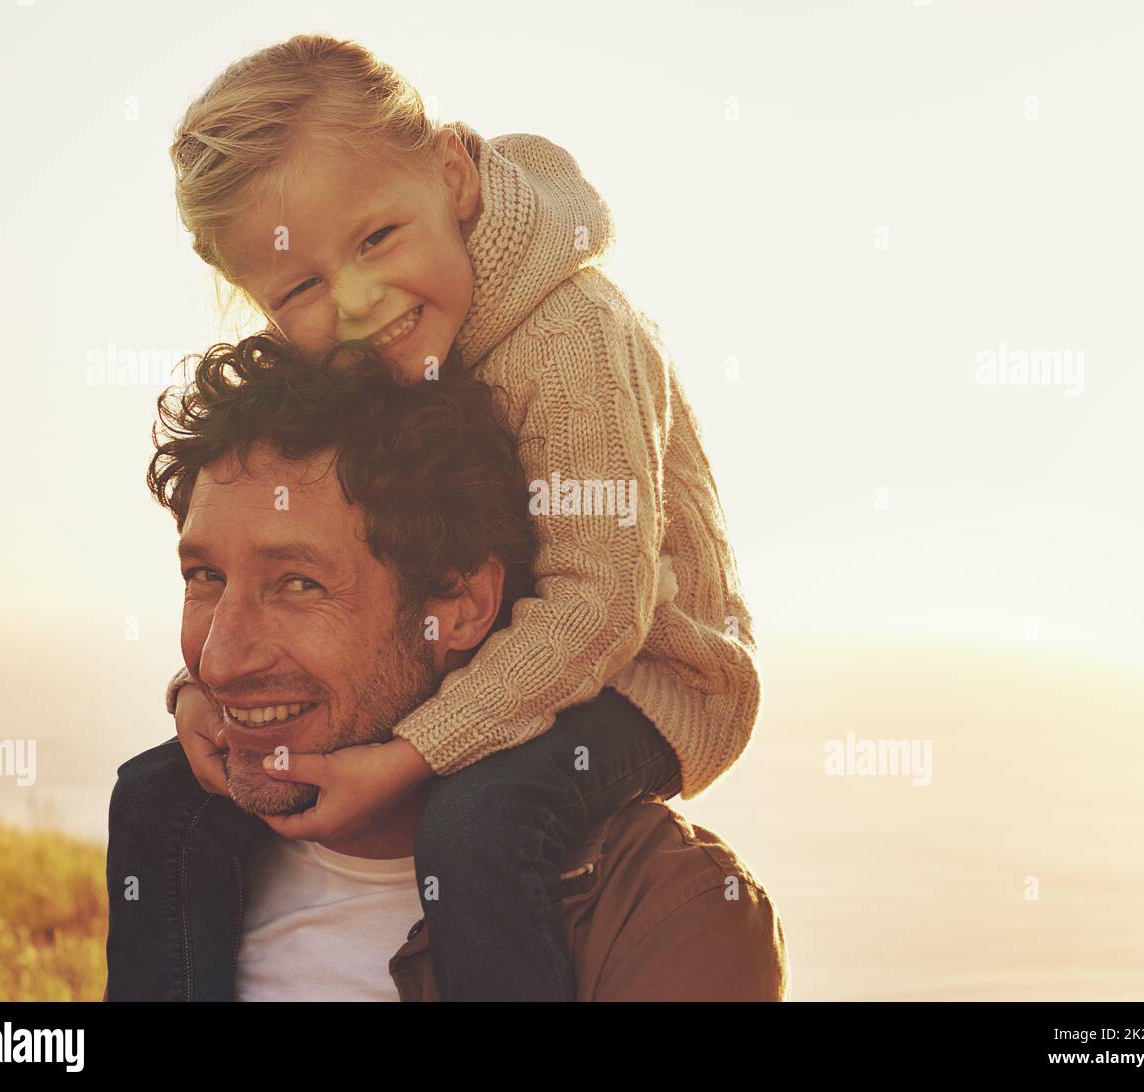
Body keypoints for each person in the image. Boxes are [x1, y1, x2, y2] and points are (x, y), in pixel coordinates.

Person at [162, 33, 763, 1000]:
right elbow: (299, 555)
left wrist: (412, 756)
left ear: (452, 175)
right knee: (159, 796)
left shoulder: (572, 341)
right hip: (490, 647)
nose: (357, 301)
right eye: (303, 288)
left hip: (645, 677)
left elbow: (602, 607)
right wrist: (210, 696)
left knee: (480, 823)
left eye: (376, 239)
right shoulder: (384, 350)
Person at [104, 335, 787, 1001]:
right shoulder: (175, 857)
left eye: (299, 584)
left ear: (459, 605)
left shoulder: (670, 914)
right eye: (206, 576)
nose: (218, 660)